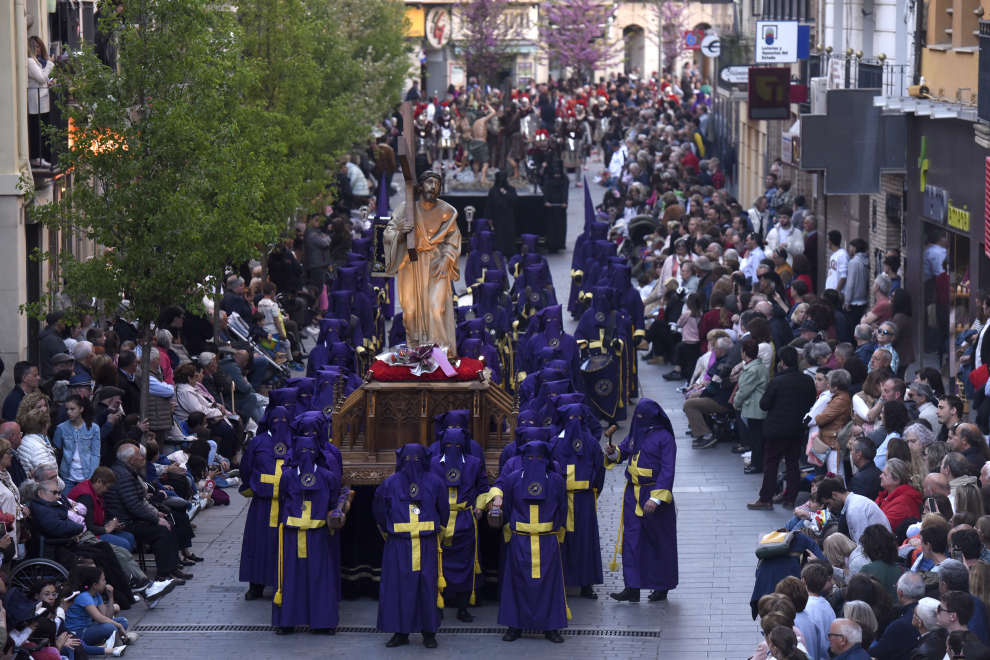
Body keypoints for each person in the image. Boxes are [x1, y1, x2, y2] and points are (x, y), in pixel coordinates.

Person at [374, 444, 448, 648]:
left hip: (426, 544)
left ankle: (429, 633)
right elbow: (380, 511)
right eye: (408, 459)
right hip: (399, 545)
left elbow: (443, 510)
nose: (412, 463)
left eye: (416, 459)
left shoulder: (435, 483)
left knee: (427, 587)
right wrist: (391, 534)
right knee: (399, 588)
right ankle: (401, 633)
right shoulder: (389, 483)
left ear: (424, 461)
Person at [496, 441, 568, 643]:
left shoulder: (556, 480)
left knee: (549, 584)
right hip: (521, 540)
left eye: (538, 457)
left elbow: (562, 509)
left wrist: (555, 531)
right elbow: (508, 508)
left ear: (546, 460)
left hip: (547, 540)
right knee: (517, 583)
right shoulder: (512, 479)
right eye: (529, 457)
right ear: (522, 459)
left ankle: (551, 627)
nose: (533, 461)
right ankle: (514, 626)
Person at [606, 399, 678, 603]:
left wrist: (656, 498)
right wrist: (613, 453)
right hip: (633, 494)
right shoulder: (635, 433)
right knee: (631, 540)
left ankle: (661, 585)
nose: (636, 419)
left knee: (658, 541)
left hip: (653, 494)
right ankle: (632, 586)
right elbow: (622, 452)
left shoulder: (664, 438)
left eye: (640, 416)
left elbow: (667, 470)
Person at [384, 170, 461, 353]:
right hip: (411, 262)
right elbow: (388, 233)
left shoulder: (446, 212)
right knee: (410, 312)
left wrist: (446, 259)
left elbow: (453, 238)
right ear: (420, 187)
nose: (433, 187)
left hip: (437, 263)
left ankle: (440, 352)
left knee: (435, 307)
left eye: (437, 184)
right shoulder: (405, 209)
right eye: (429, 182)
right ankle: (415, 350)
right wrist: (402, 233)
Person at [272, 436, 340, 635]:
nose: (307, 455)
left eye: (311, 451)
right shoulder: (287, 476)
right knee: (291, 577)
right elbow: (283, 501)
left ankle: (323, 622)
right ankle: (287, 621)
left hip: (317, 536)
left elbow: (333, 504)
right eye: (302, 451)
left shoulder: (327, 477)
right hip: (292, 536)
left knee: (319, 577)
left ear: (317, 453)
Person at [428, 429, 489, 620]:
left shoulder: (473, 463)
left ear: (463, 445)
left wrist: (480, 507)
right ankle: (438, 604)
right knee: (438, 565)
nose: (452, 448)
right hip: (440, 522)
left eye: (456, 445)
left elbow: (484, 488)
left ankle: (462, 608)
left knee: (465, 565)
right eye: (448, 445)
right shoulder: (432, 463)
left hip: (465, 520)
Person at [104, 443, 188, 583]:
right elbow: (133, 506)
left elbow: (137, 502)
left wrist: (156, 515)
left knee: (168, 523)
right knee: (161, 531)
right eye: (139, 456)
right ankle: (163, 575)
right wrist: (155, 519)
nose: (142, 458)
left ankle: (171, 568)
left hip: (128, 517)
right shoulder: (124, 476)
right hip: (124, 522)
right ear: (131, 459)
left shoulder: (124, 471)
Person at [751, 345, 818, 510]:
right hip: (797, 429)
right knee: (792, 462)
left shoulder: (777, 381)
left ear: (782, 362)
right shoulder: (807, 380)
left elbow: (764, 404)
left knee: (771, 462)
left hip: (776, 429)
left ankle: (766, 497)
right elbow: (811, 401)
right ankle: (790, 498)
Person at [552, 405, 605, 599]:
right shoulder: (554, 443)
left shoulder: (591, 443)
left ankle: (586, 584)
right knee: (562, 540)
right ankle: (562, 580)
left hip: (584, 499)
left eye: (578, 417)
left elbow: (599, 469)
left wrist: (593, 492)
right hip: (563, 499)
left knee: (585, 540)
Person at [63, 567, 134, 656]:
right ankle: (110, 641)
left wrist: (111, 597)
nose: (105, 583)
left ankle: (109, 640)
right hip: (78, 633)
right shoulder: (84, 596)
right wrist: (118, 626)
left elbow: (107, 616)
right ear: (95, 585)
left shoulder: (96, 595)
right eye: (103, 580)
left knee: (123, 621)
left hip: (87, 628)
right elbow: (99, 618)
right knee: (110, 627)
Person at [816, 478, 892, 543]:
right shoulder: (854, 503)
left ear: (835, 495)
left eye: (828, 503)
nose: (829, 508)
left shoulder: (854, 508)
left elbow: (863, 545)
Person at [51, 395, 101, 492]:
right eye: (67, 409)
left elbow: (95, 454)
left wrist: (91, 477)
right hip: (66, 475)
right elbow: (55, 453)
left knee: (84, 504)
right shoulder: (61, 428)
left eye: (72, 409)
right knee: (67, 504)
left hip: (86, 475)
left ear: (81, 409)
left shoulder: (93, 428)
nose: (69, 412)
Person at [876, 458, 923, 532]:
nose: (880, 476)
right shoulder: (885, 495)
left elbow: (881, 527)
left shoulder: (904, 503)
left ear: (896, 480)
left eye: (885, 474)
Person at [485, 170, 519, 259]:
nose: (502, 180)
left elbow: (515, 200)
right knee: (498, 236)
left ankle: (510, 253)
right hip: (497, 218)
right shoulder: (493, 191)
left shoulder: (511, 189)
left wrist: (505, 193)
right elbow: (489, 205)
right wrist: (489, 218)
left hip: (508, 217)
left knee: (509, 235)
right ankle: (499, 254)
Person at [849, 437, 883, 502]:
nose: (851, 453)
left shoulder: (858, 480)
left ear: (859, 455)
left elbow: (854, 506)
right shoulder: (879, 473)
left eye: (852, 450)